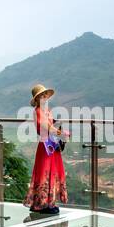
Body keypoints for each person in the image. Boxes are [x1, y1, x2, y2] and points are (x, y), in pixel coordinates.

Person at [24, 83, 69, 214]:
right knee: (45, 172)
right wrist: (62, 134)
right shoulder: (38, 111)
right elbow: (46, 127)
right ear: (37, 99)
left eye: (45, 95)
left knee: (51, 171)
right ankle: (43, 204)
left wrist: (59, 131)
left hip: (51, 144)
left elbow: (52, 126)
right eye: (41, 95)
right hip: (45, 145)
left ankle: (47, 202)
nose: (44, 97)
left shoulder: (48, 111)